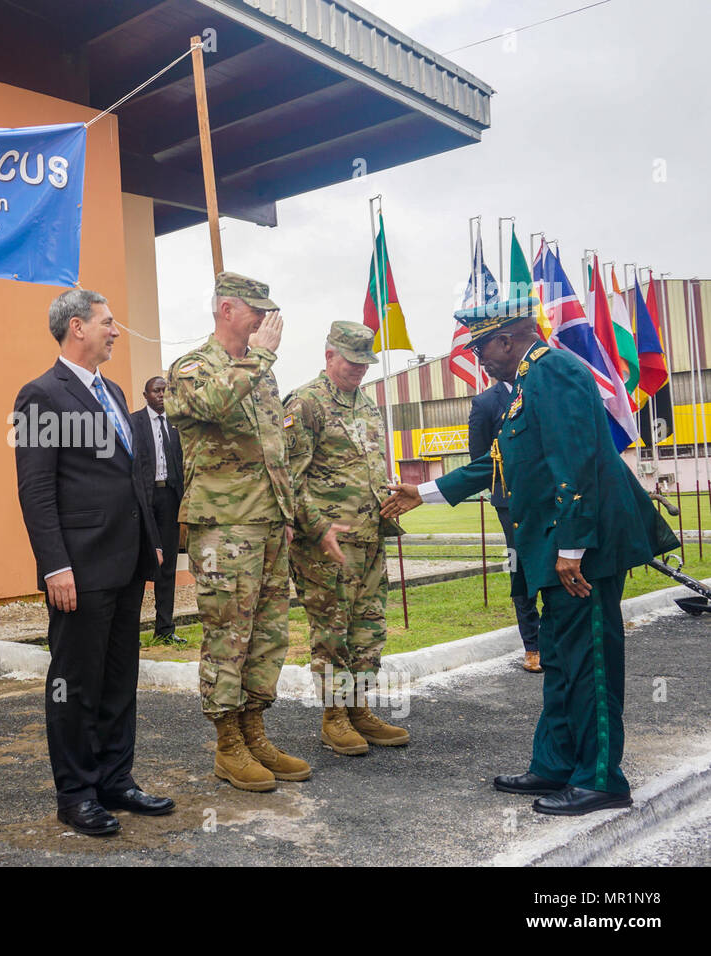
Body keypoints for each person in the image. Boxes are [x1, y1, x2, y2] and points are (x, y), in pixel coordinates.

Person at [383, 296, 678, 816]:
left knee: (591, 662)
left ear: (506, 338)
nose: (478, 358)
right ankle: (557, 762)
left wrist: (572, 548)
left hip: (582, 550)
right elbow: (498, 462)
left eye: (481, 348)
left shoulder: (554, 371)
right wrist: (423, 491)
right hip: (555, 543)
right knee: (562, 658)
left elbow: (577, 461)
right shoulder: (524, 384)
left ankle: (602, 778)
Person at [14, 288, 172, 837]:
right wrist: (54, 565)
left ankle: (115, 779)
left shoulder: (115, 390)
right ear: (76, 327)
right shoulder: (39, 396)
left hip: (126, 562)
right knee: (75, 683)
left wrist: (150, 540)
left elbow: (132, 477)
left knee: (118, 677)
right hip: (78, 569)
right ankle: (76, 793)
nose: (115, 330)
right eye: (108, 322)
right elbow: (35, 490)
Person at [166, 272, 311, 792]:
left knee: (268, 637)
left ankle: (256, 732)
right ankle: (228, 744)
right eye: (256, 311)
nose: (265, 321)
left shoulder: (259, 373)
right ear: (227, 309)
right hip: (224, 527)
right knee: (229, 635)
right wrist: (262, 358)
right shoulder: (192, 367)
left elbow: (277, 449)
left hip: (268, 522)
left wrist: (287, 515)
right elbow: (206, 407)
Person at [285, 321, 409, 755]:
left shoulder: (366, 405)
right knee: (333, 629)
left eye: (364, 363)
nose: (359, 370)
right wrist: (316, 530)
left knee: (368, 627)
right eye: (352, 362)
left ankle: (359, 708)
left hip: (370, 538)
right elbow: (289, 479)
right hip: (327, 544)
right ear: (329, 355)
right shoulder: (306, 404)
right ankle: (333, 716)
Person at [470, 377, 543, 672]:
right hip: (510, 499)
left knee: (555, 564)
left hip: (550, 493)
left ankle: (554, 639)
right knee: (521, 567)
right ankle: (533, 646)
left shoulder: (539, 387)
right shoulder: (486, 402)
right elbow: (479, 457)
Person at [131, 375, 184, 644]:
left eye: (165, 391)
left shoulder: (177, 424)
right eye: (156, 391)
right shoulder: (134, 422)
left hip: (170, 499)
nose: (162, 395)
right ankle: (130, 631)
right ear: (146, 395)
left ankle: (165, 628)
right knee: (140, 564)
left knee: (169, 567)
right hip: (144, 500)